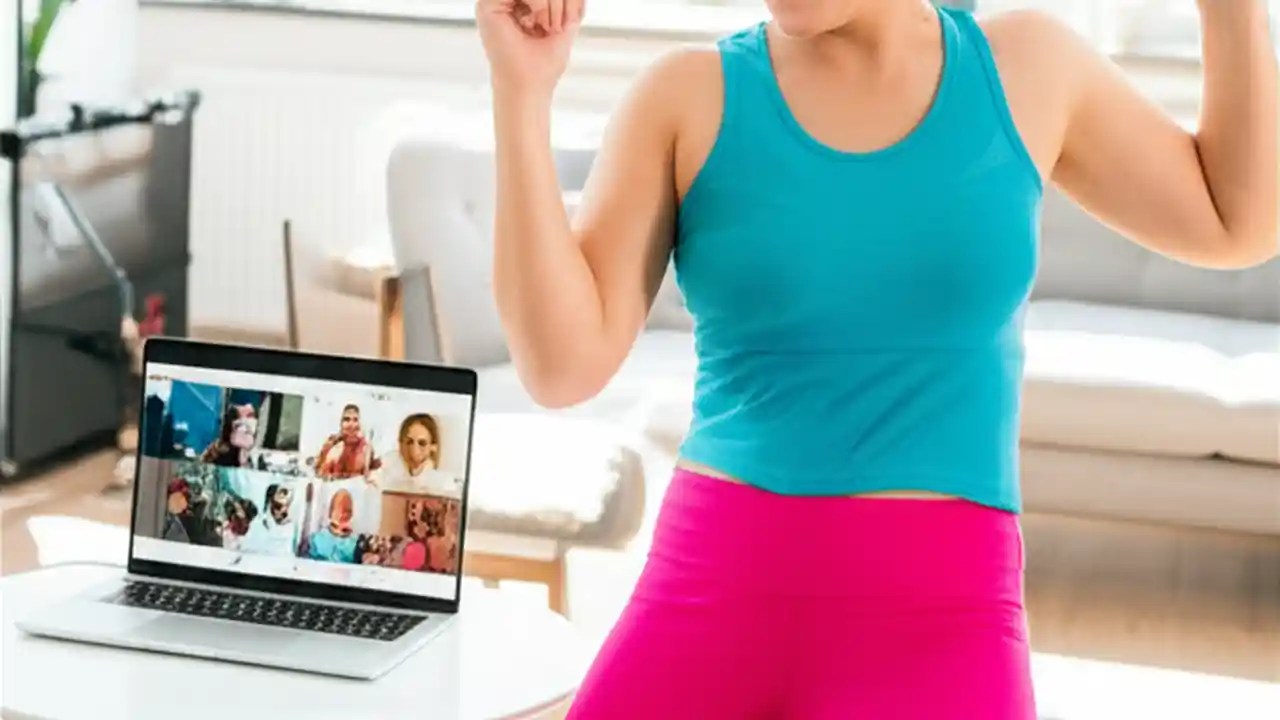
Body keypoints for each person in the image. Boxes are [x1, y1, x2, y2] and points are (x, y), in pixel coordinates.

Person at [476, 0, 1277, 717]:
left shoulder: (1027, 67)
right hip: (707, 594)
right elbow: (561, 367)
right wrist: (522, 94)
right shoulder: (686, 96)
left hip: (943, 627)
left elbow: (1233, 217)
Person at [374, 414, 463, 497]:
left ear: (433, 447)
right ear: (401, 443)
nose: (414, 450)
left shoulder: (444, 483)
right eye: (409, 442)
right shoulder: (387, 466)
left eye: (422, 443)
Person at [314, 404, 382, 480]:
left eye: (355, 420)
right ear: (341, 423)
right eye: (347, 419)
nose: (351, 424)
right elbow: (319, 474)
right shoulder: (331, 444)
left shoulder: (366, 448)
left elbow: (371, 475)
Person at [242, 483, 300, 557]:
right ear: (269, 503)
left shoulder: (289, 528)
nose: (283, 512)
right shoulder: (256, 526)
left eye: (287, 507)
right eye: (278, 506)